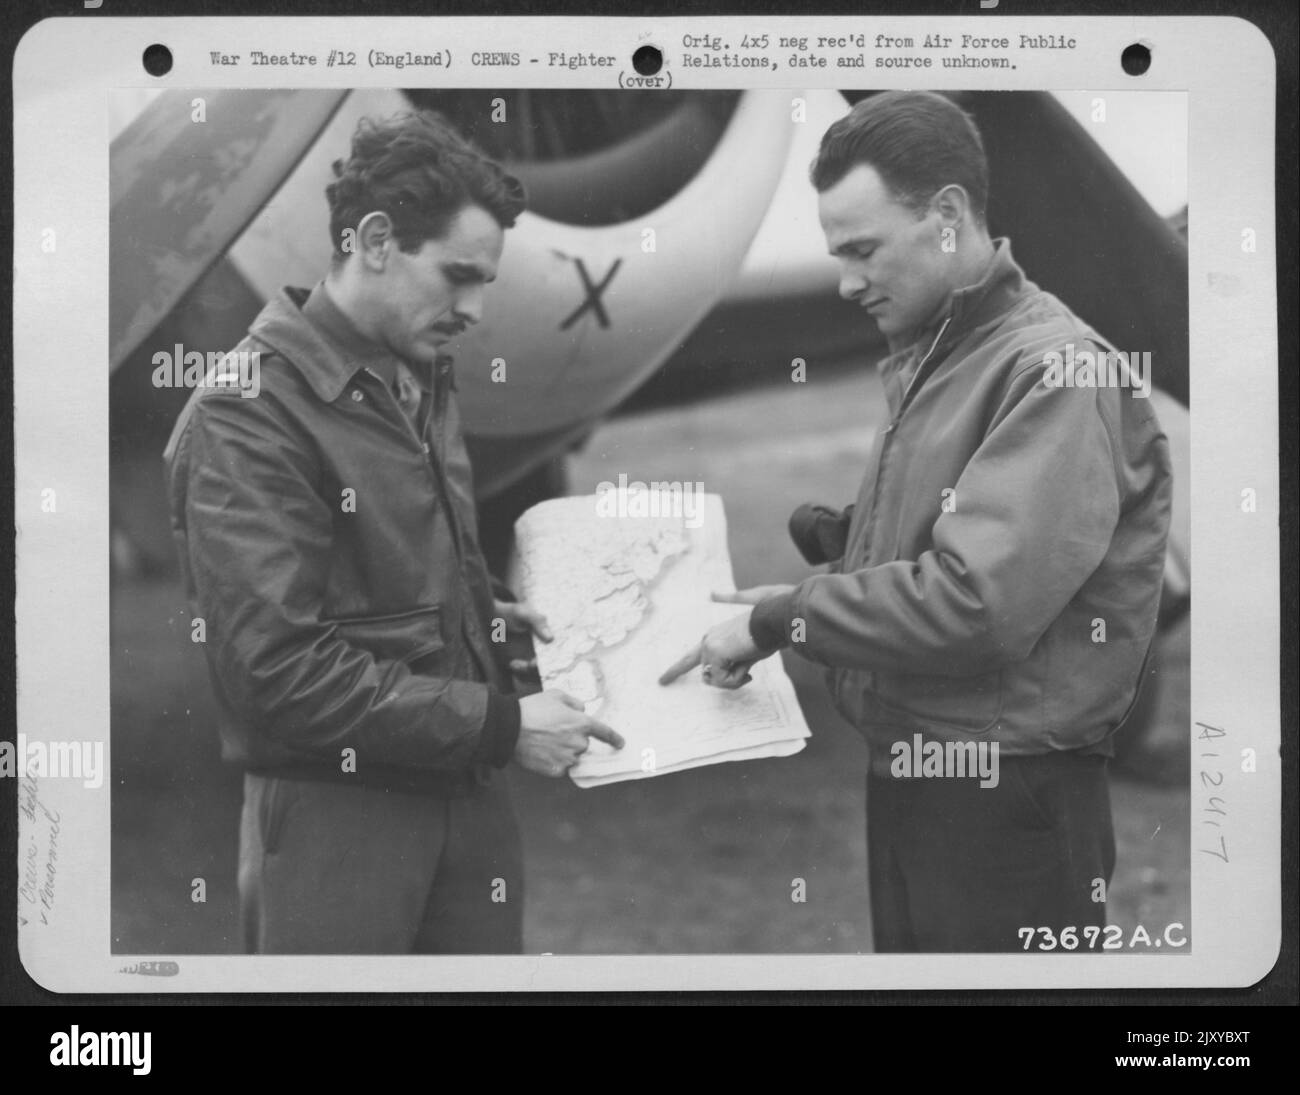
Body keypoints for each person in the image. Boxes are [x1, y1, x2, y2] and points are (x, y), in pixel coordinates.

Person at [661, 91, 1172, 953]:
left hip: (1003, 802)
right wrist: (835, 563)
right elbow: (945, 548)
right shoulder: (951, 352)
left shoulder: (1051, 370)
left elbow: (975, 605)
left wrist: (784, 615)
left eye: (862, 249)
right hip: (921, 779)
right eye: (837, 253)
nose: (846, 280)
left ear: (946, 217)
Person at [164, 110, 623, 955]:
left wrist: (480, 615)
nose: (476, 308)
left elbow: (383, 575)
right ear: (375, 239)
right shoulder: (246, 414)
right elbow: (277, 672)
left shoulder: (417, 371)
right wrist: (503, 726)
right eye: (458, 275)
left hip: (468, 800)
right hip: (339, 817)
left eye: (485, 280)